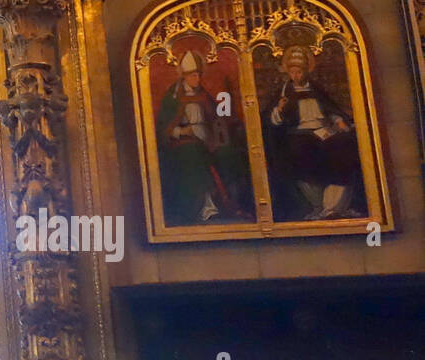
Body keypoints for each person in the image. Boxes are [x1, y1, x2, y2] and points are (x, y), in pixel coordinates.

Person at [263, 45, 365, 221]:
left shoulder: (316, 90)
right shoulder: (284, 93)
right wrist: (279, 110)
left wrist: (338, 120)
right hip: (299, 134)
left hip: (325, 131)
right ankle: (317, 205)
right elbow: (272, 121)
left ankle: (334, 206)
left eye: (299, 72)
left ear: (306, 71)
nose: (296, 76)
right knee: (301, 153)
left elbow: (330, 109)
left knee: (344, 145)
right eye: (292, 72)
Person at [155, 49, 252, 225]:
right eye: (193, 76)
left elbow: (216, 116)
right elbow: (163, 127)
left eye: (198, 75)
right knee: (194, 154)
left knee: (228, 154)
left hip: (207, 139)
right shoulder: (173, 96)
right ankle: (206, 206)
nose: (197, 79)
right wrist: (181, 132)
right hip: (183, 143)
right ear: (184, 76)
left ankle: (234, 203)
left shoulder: (203, 94)